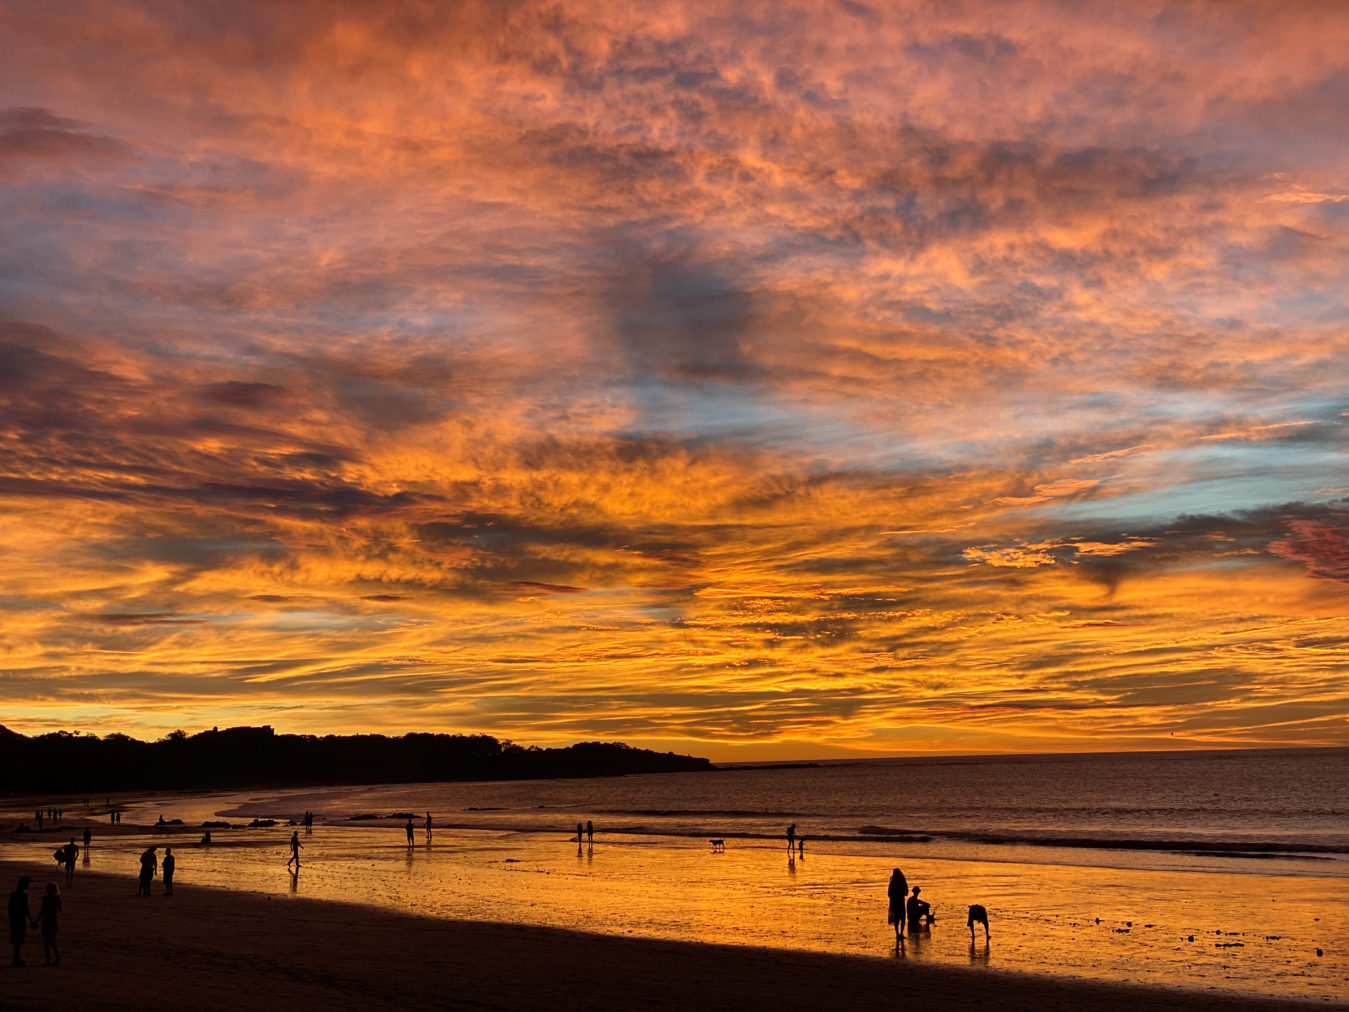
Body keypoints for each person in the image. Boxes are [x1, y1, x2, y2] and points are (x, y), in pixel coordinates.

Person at [8, 876, 35, 967]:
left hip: (14, 919)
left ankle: (16, 957)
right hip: (20, 920)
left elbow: (10, 909)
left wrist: (11, 919)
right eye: (27, 884)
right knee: (19, 940)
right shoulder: (24, 896)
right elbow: (26, 909)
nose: (28, 885)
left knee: (16, 939)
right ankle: (16, 958)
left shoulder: (13, 895)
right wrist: (31, 921)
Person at [37, 882, 60, 966]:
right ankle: (56, 958)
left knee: (47, 942)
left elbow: (42, 910)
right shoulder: (56, 898)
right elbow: (60, 909)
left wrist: (37, 920)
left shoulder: (46, 899)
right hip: (53, 920)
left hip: (47, 921)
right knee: (52, 941)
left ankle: (49, 960)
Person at [887, 868, 908, 941]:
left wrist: (893, 897)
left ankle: (897, 934)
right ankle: (901, 933)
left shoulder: (892, 882)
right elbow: (906, 892)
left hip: (894, 902)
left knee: (896, 919)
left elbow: (889, 894)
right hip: (900, 901)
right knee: (902, 918)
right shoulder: (902, 882)